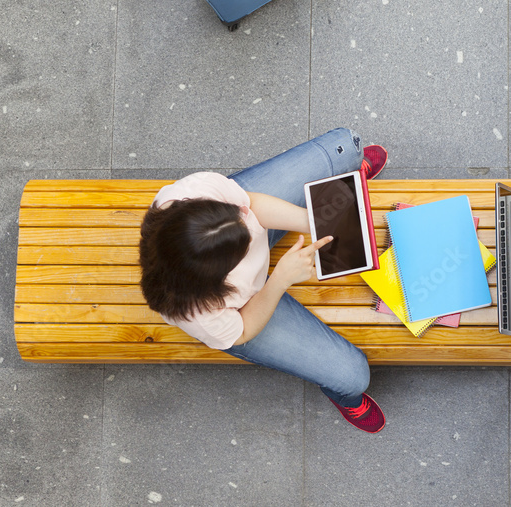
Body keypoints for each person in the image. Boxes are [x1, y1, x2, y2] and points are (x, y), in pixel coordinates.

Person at [139, 128, 389, 433]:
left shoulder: (189, 194)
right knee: (353, 378)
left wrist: (312, 221)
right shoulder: (196, 312)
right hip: (250, 306)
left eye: (236, 216)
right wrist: (279, 281)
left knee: (346, 147)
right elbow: (243, 331)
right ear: (221, 273)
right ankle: (342, 396)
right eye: (245, 237)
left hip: (222, 245)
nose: (249, 221)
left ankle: (346, 179)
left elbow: (251, 204)